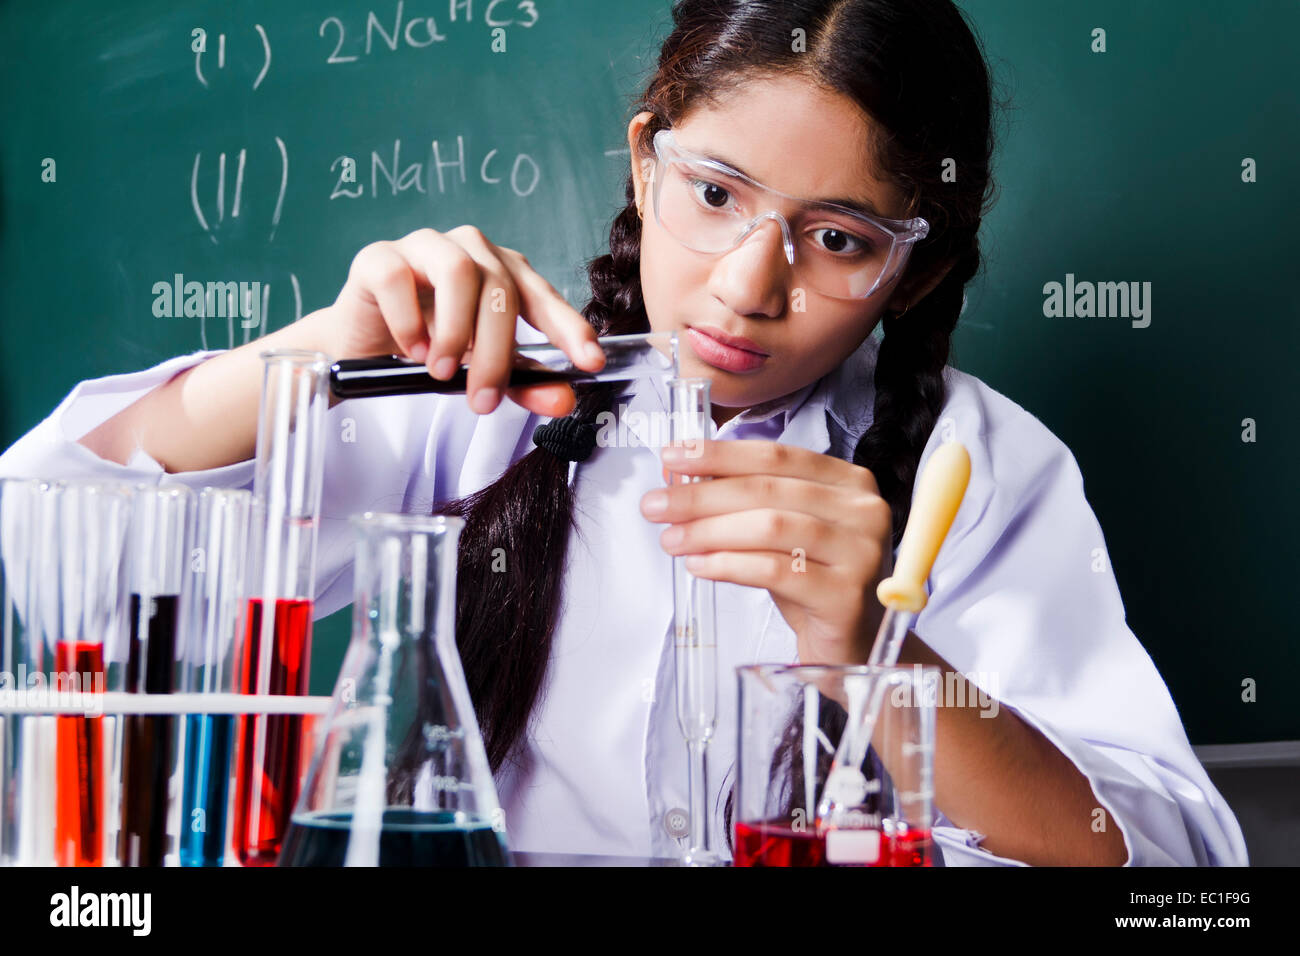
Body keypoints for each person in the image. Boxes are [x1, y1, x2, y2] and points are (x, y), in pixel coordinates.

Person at [0, 0, 1246, 866]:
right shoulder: (475, 393)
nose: (746, 287)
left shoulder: (978, 468)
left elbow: (1171, 862)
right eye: (714, 193)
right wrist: (317, 354)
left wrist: (882, 654)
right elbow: (38, 548)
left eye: (838, 237)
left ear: (911, 273)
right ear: (646, 166)